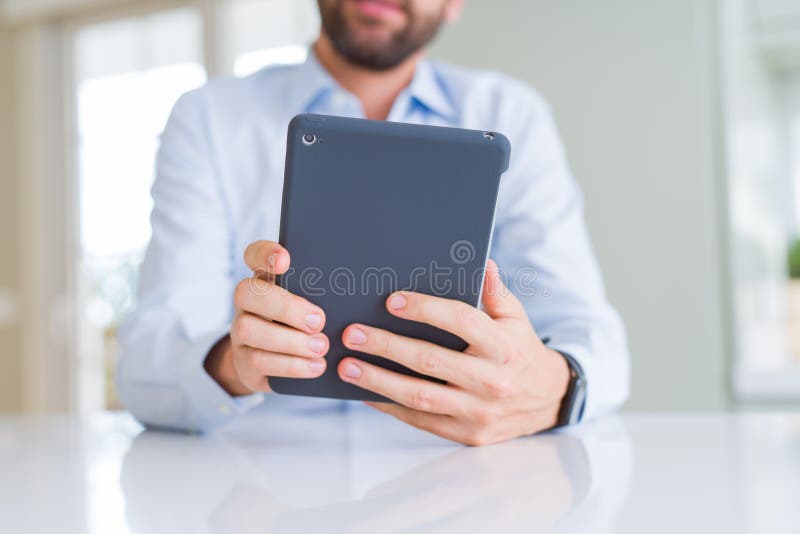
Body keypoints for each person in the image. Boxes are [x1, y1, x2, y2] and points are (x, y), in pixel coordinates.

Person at [118, 0, 630, 445]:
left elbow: (594, 338)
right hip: (256, 480)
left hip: (464, 477)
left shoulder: (513, 114)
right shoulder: (209, 118)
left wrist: (556, 387)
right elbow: (145, 370)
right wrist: (233, 364)